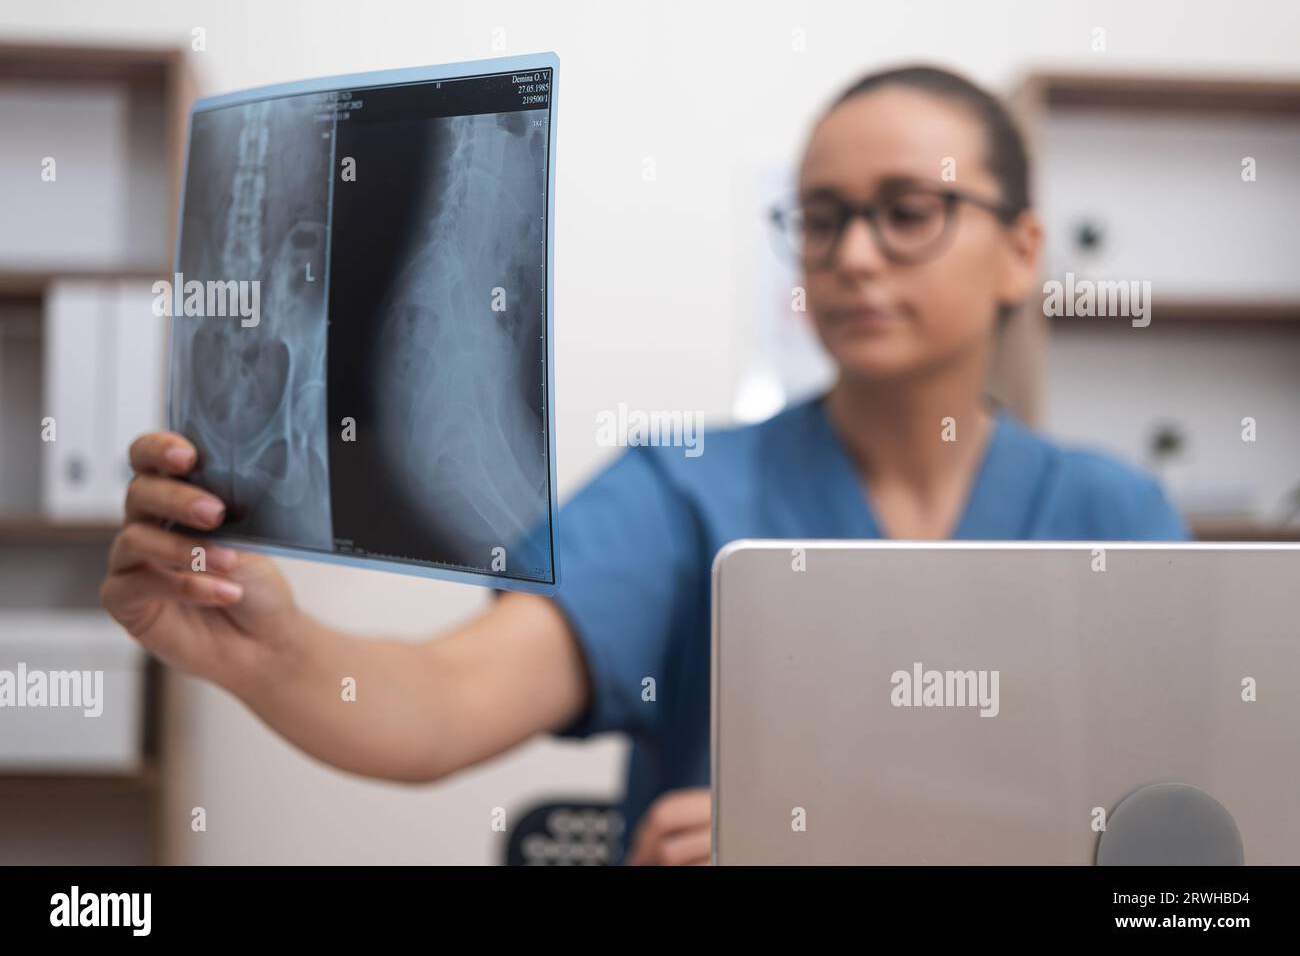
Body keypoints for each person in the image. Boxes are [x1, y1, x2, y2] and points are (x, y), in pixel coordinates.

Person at [100, 65, 1189, 866]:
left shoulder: (1110, 514)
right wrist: (264, 649)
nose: (852, 254)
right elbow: (439, 704)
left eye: (907, 212)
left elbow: (1190, 848)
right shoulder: (685, 492)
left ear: (1021, 250)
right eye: (818, 218)